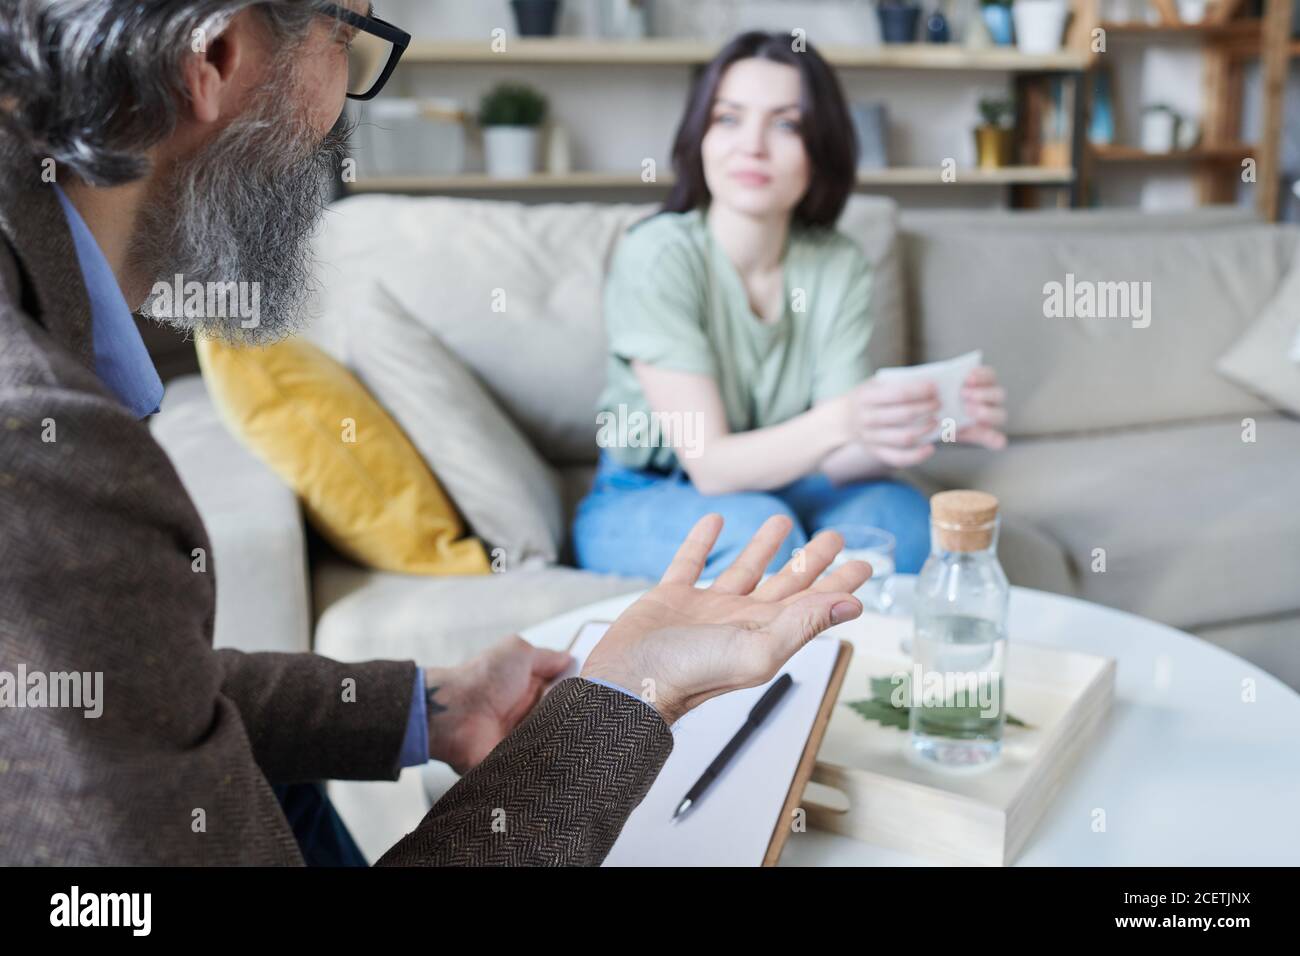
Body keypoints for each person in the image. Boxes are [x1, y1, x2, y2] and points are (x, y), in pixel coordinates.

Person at [0, 0, 870, 866]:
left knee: (275, 774)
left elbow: (144, 705)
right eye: (345, 36)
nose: (347, 106)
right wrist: (623, 696)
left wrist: (428, 704)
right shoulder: (52, 459)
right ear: (218, 54)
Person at [574, 32, 1008, 580]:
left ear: (819, 147)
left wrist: (921, 424)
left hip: (790, 481)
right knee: (763, 532)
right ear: (700, 136)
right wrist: (845, 419)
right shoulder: (657, 255)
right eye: (728, 118)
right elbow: (711, 466)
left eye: (785, 124)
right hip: (649, 493)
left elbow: (838, 455)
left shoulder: (837, 263)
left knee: (904, 520)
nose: (752, 146)